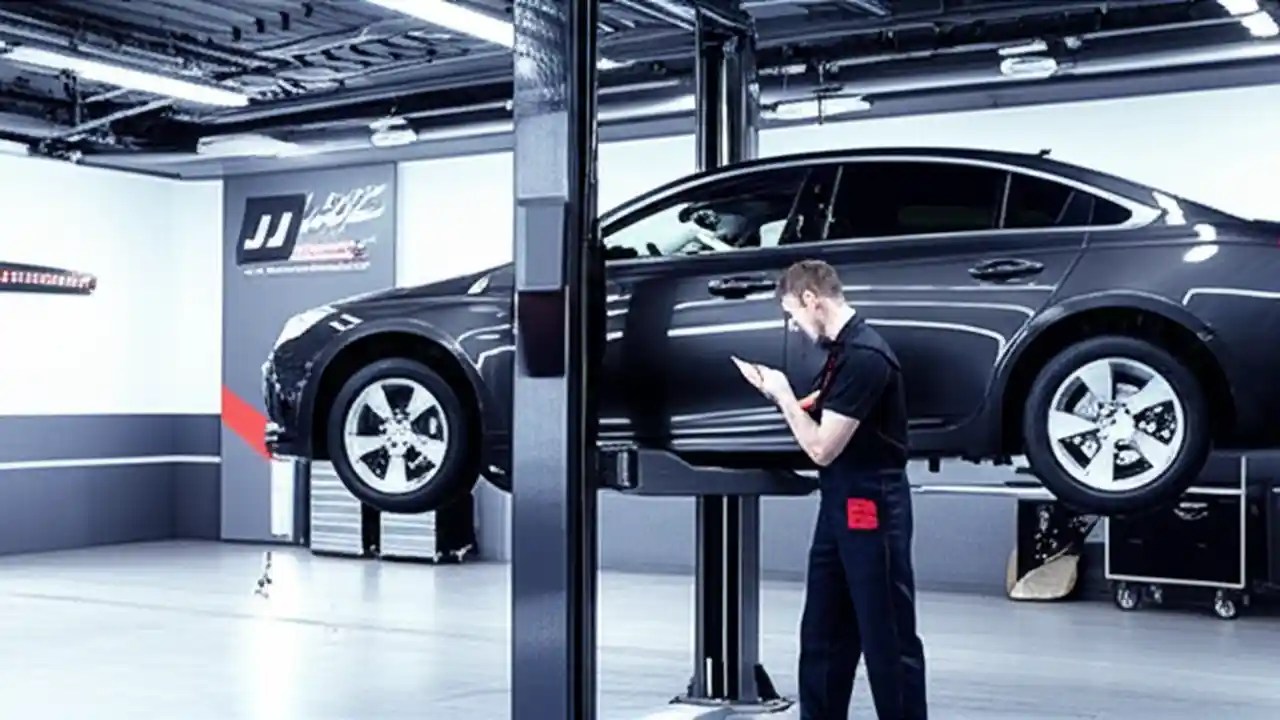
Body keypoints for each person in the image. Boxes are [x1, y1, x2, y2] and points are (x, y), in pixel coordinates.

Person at [734, 259, 928, 720]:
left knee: (888, 636)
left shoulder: (865, 357)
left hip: (870, 503)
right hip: (841, 502)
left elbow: (822, 448)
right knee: (823, 632)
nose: (794, 327)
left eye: (792, 315)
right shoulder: (844, 354)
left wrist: (782, 396)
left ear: (810, 300)